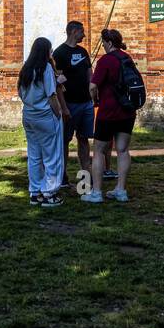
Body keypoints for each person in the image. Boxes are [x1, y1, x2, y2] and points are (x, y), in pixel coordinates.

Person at [83, 28, 134, 204]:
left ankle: (96, 193)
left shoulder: (105, 60)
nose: (103, 46)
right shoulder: (127, 58)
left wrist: (95, 100)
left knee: (98, 151)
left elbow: (92, 86)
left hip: (108, 112)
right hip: (127, 112)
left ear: (109, 43)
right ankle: (121, 190)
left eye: (104, 43)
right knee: (123, 150)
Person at [52, 21, 104, 187]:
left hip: (86, 103)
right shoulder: (60, 53)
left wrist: (94, 94)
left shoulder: (83, 52)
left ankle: (85, 177)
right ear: (74, 31)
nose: (84, 35)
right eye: (82, 32)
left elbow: (90, 75)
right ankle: (63, 177)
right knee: (65, 141)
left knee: (84, 139)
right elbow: (57, 82)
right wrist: (63, 107)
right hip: (70, 104)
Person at [19, 37, 65, 207]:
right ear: (45, 51)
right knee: (52, 155)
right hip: (45, 115)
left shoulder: (26, 68)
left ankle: (35, 191)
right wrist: (58, 112)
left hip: (28, 115)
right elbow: (51, 94)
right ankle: (49, 193)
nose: (51, 53)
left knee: (34, 155)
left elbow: (20, 92)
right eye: (50, 50)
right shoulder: (45, 68)